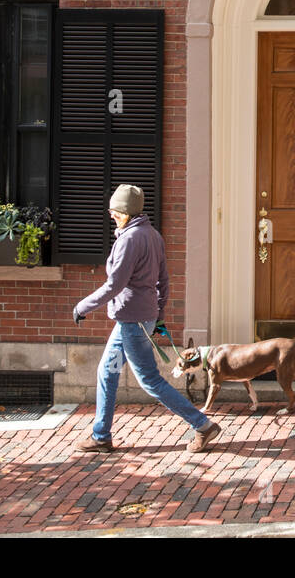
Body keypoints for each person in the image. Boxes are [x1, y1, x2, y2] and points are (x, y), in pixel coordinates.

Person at [72, 184, 221, 454]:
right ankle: (101, 435)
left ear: (127, 212)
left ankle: (202, 424)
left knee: (149, 380)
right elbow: (163, 281)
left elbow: (115, 285)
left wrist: (83, 306)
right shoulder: (152, 235)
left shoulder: (130, 239)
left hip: (133, 321)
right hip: (138, 319)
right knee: (107, 372)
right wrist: (159, 315)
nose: (111, 214)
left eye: (116, 211)